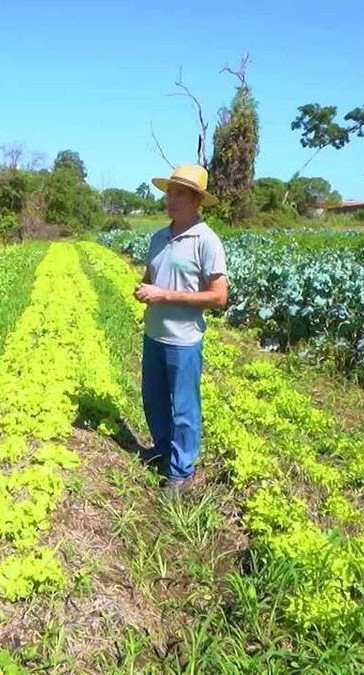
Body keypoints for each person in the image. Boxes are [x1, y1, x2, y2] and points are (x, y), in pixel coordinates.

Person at [133, 163, 229, 498]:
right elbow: (151, 277)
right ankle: (162, 450)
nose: (171, 200)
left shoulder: (206, 241)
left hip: (184, 340)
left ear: (196, 200)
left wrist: (165, 295)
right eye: (170, 192)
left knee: (185, 408)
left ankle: (181, 472)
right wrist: (145, 288)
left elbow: (219, 296)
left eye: (180, 194)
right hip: (154, 334)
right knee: (154, 399)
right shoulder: (159, 236)